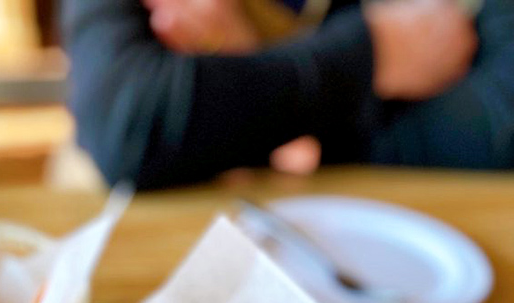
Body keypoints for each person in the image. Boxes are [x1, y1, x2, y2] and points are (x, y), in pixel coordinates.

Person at [61, 0, 514, 189]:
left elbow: (496, 132)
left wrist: (241, 91)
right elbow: (125, 126)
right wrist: (373, 53)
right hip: (121, 242)